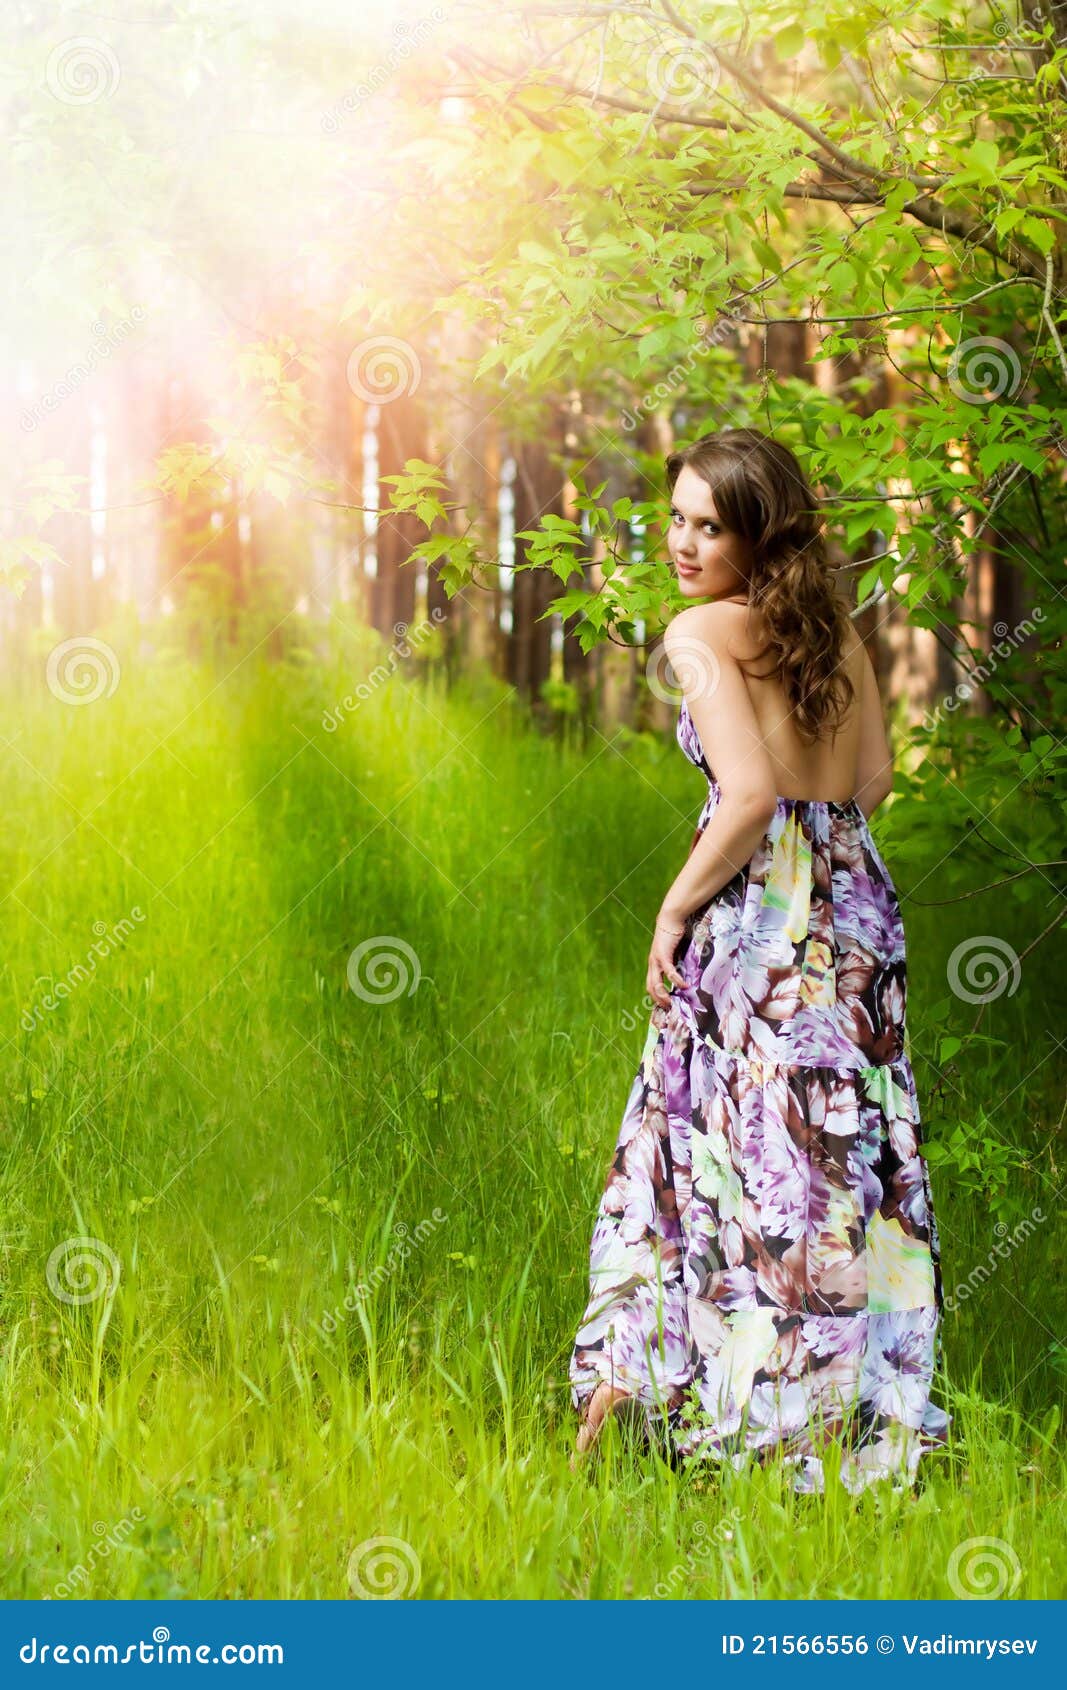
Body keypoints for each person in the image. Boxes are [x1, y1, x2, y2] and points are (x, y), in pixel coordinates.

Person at [568, 427, 948, 1493]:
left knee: (722, 1147)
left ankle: (700, 1402)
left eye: (709, 524)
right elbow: (869, 783)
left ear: (758, 532)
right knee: (839, 1160)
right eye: (676, 518)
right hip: (852, 912)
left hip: (757, 922)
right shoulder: (837, 635)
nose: (683, 543)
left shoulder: (699, 633)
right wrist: (822, 866)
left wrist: (673, 908)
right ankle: (835, 1418)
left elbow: (741, 799)